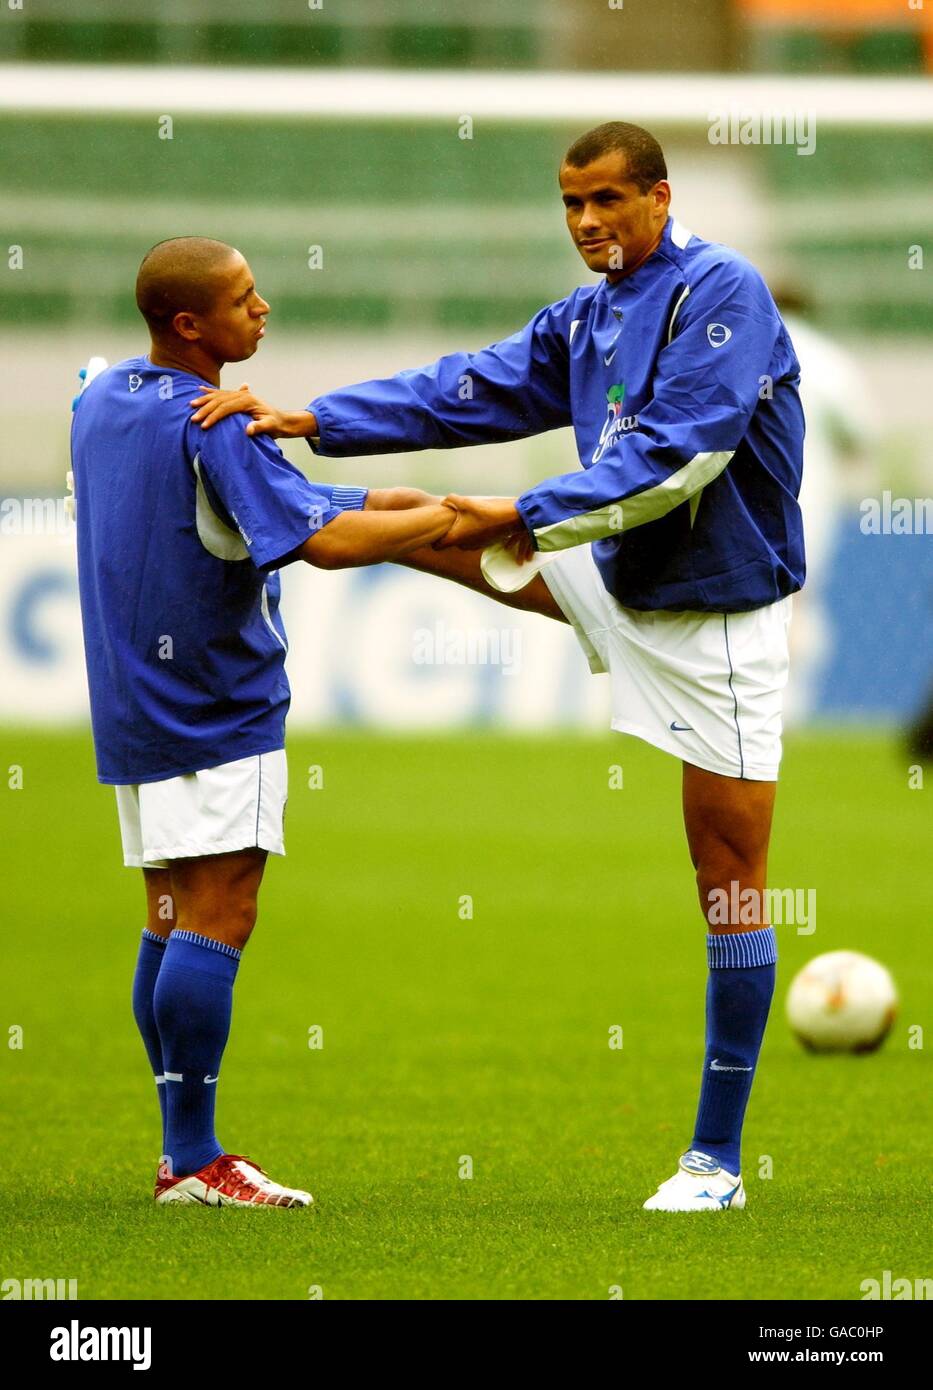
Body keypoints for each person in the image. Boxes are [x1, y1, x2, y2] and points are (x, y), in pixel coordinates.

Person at [191, 121, 807, 1213]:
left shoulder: (722, 291)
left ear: (659, 199)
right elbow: (465, 389)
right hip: (612, 576)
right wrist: (311, 421)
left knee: (729, 887)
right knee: (407, 517)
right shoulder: (589, 312)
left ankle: (715, 1161)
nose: (584, 224)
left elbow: (685, 456)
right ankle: (257, 515)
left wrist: (524, 509)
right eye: (570, 205)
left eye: (606, 202)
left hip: (716, 621)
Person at [71, 236, 458, 1207]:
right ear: (190, 324)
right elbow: (319, 542)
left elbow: (294, 501)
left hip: (131, 707)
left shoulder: (100, 395)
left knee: (166, 914)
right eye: (245, 298)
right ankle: (197, 1161)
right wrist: (454, 514)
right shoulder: (220, 428)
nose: (266, 307)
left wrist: (394, 500)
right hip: (216, 704)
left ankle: (178, 1152)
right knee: (220, 914)